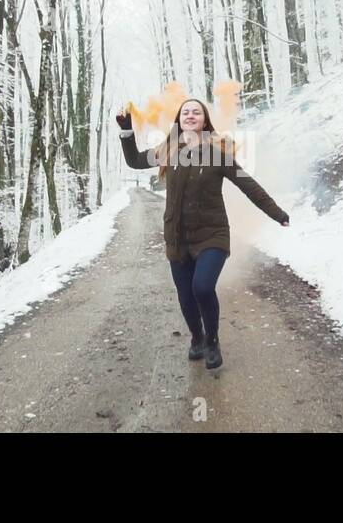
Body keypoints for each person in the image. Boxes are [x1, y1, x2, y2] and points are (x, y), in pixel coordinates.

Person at [116, 98, 290, 369]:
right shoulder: (169, 149)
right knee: (185, 296)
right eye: (185, 111)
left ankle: (212, 340)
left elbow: (249, 185)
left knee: (202, 287)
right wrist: (126, 130)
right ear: (179, 119)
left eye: (196, 111)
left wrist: (277, 213)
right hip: (177, 237)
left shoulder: (218, 154)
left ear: (205, 120)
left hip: (212, 235)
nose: (190, 115)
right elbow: (134, 161)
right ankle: (196, 337)